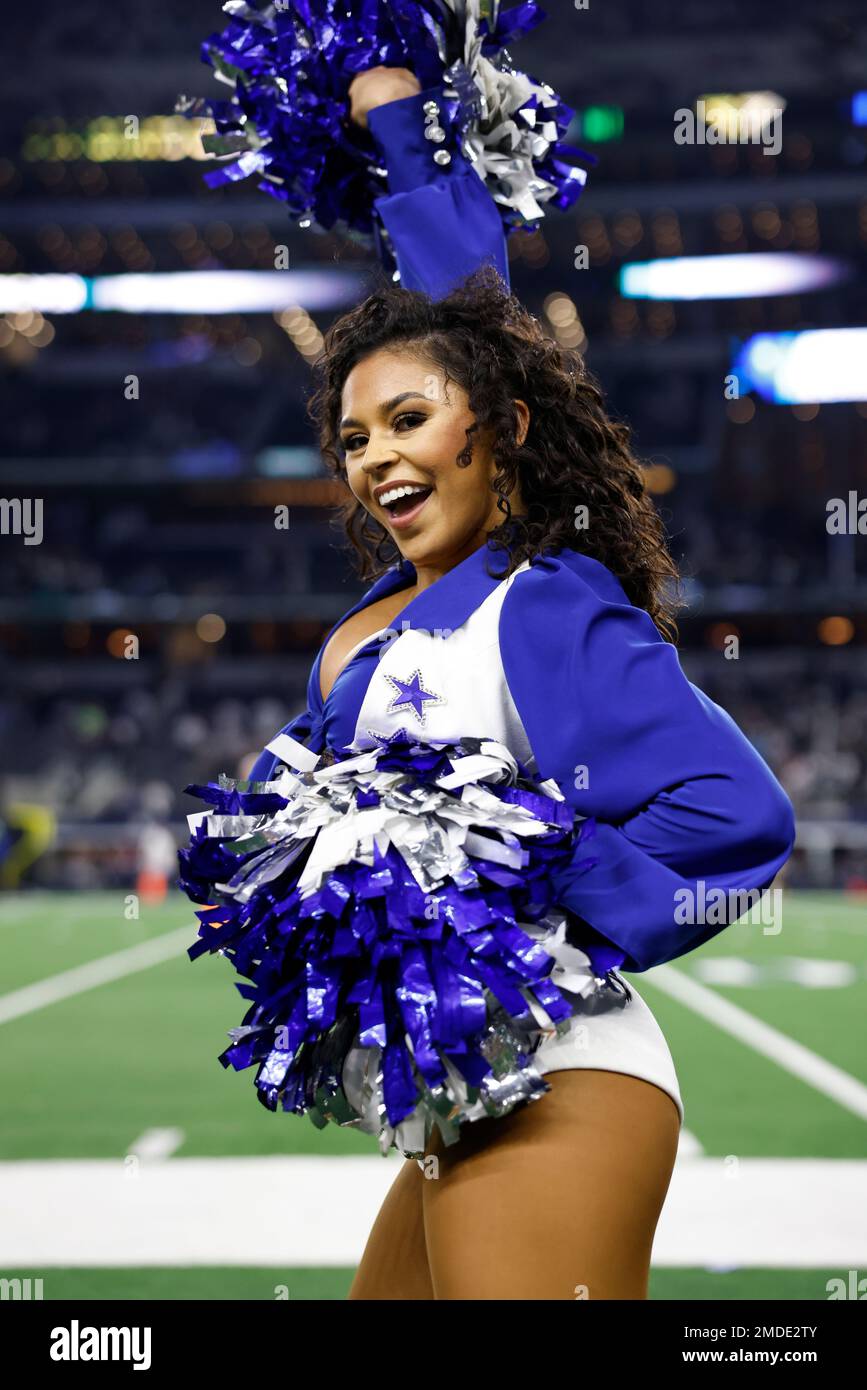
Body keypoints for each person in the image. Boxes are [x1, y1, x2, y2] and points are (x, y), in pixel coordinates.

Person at [243, 66, 796, 1299]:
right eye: (353, 436)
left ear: (501, 428)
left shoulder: (540, 598)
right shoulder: (375, 628)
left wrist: (505, 878)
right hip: (457, 1097)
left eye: (408, 418)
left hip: (567, 1070)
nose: (377, 452)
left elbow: (743, 820)